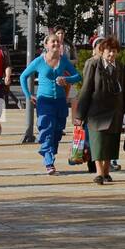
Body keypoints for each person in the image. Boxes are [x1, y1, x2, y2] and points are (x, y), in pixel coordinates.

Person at [75, 36, 125, 185]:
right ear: (102, 51)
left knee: (111, 144)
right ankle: (99, 173)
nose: (111, 54)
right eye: (108, 51)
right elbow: (86, 90)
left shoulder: (120, 67)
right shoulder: (93, 64)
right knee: (98, 143)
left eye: (114, 51)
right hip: (96, 113)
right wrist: (79, 116)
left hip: (115, 112)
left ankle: (106, 172)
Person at [21, 33, 80, 175]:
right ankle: (48, 162)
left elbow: (78, 76)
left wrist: (67, 79)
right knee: (46, 130)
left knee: (57, 131)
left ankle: (51, 156)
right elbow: (23, 77)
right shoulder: (39, 61)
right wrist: (28, 95)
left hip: (60, 101)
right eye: (52, 42)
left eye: (57, 42)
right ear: (46, 45)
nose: (55, 44)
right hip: (44, 101)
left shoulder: (63, 60)